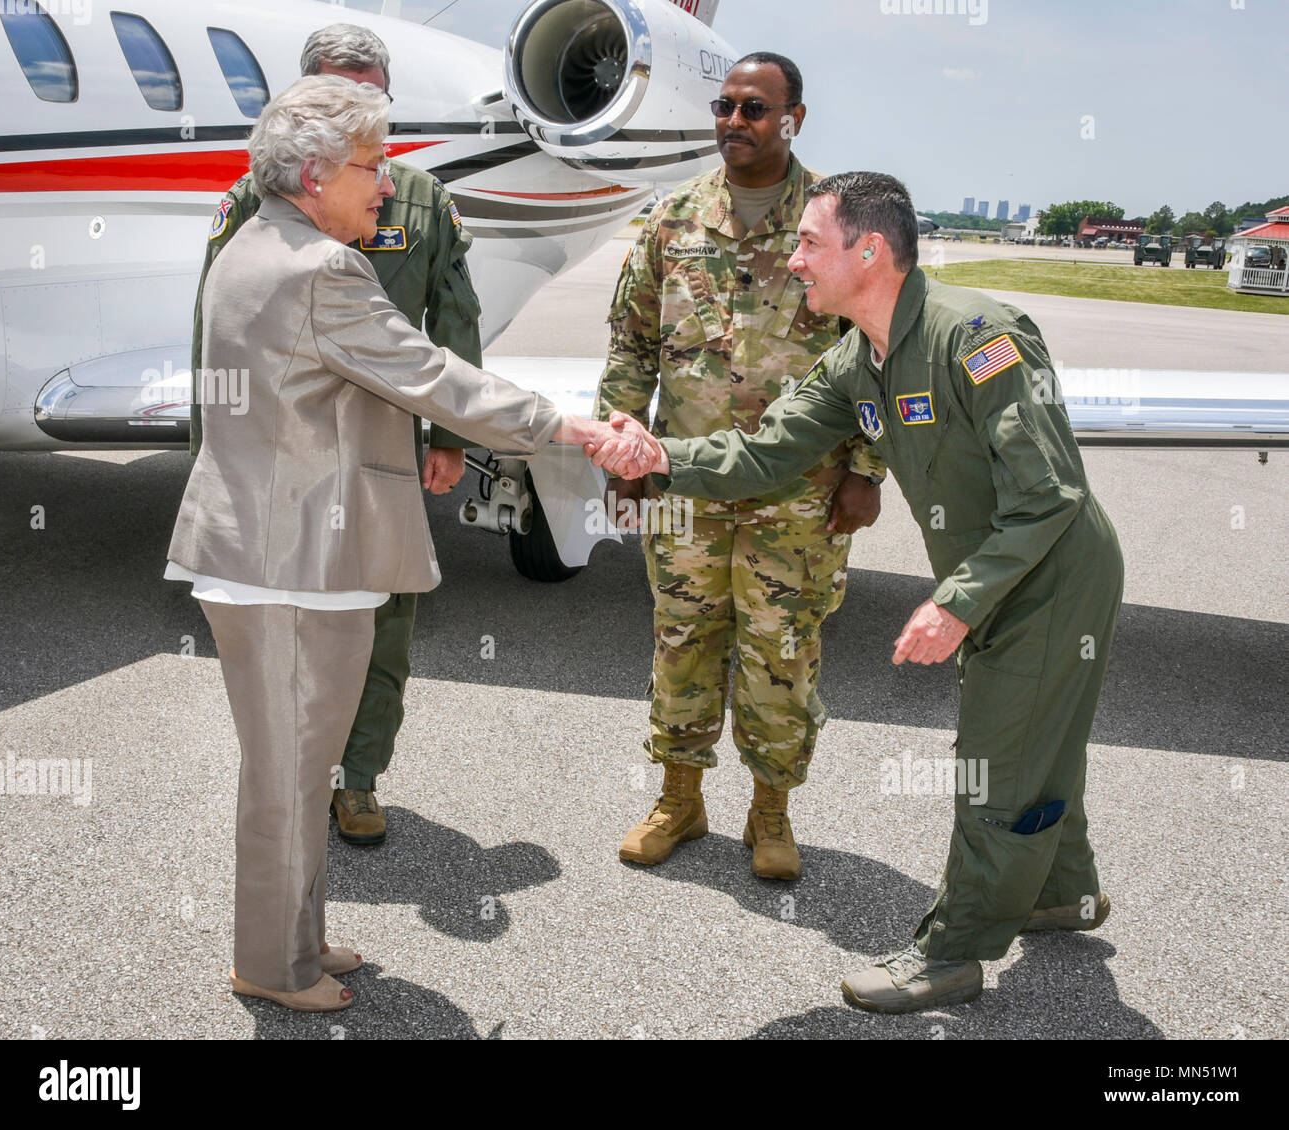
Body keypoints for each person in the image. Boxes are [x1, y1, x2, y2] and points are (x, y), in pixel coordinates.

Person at [592, 171, 1123, 1014]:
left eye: (809, 243)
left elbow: (1049, 496)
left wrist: (958, 601)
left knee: (995, 763)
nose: (794, 260)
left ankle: (950, 955)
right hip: (994, 576)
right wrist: (660, 457)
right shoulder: (856, 357)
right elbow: (766, 454)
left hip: (1048, 578)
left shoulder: (981, 336)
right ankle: (1065, 895)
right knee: (1035, 745)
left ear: (868, 252)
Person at [168, 75, 642, 1012]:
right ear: (312, 174)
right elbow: (434, 377)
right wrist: (572, 428)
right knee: (290, 777)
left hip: (279, 551)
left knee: (298, 773)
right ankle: (271, 965)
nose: (387, 185)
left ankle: (296, 940)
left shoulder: (254, 245)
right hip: (295, 563)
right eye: (373, 165)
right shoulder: (322, 270)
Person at [594, 53, 883, 880]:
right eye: (724, 106)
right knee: (683, 639)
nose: (734, 121)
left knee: (781, 650)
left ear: (795, 117)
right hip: (683, 482)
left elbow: (881, 348)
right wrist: (623, 449)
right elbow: (631, 345)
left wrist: (869, 466)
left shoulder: (838, 224)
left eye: (754, 108)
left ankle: (772, 813)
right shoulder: (672, 218)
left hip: (801, 490)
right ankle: (679, 799)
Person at [190, 23, 480, 846]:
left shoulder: (413, 195)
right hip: (288, 453)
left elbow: (453, 313)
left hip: (380, 454)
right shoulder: (258, 197)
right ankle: (294, 775)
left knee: (378, 619)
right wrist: (210, 449)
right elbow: (214, 326)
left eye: (368, 88)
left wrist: (452, 437)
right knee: (287, 626)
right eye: (332, 85)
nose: (353, 100)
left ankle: (358, 779)